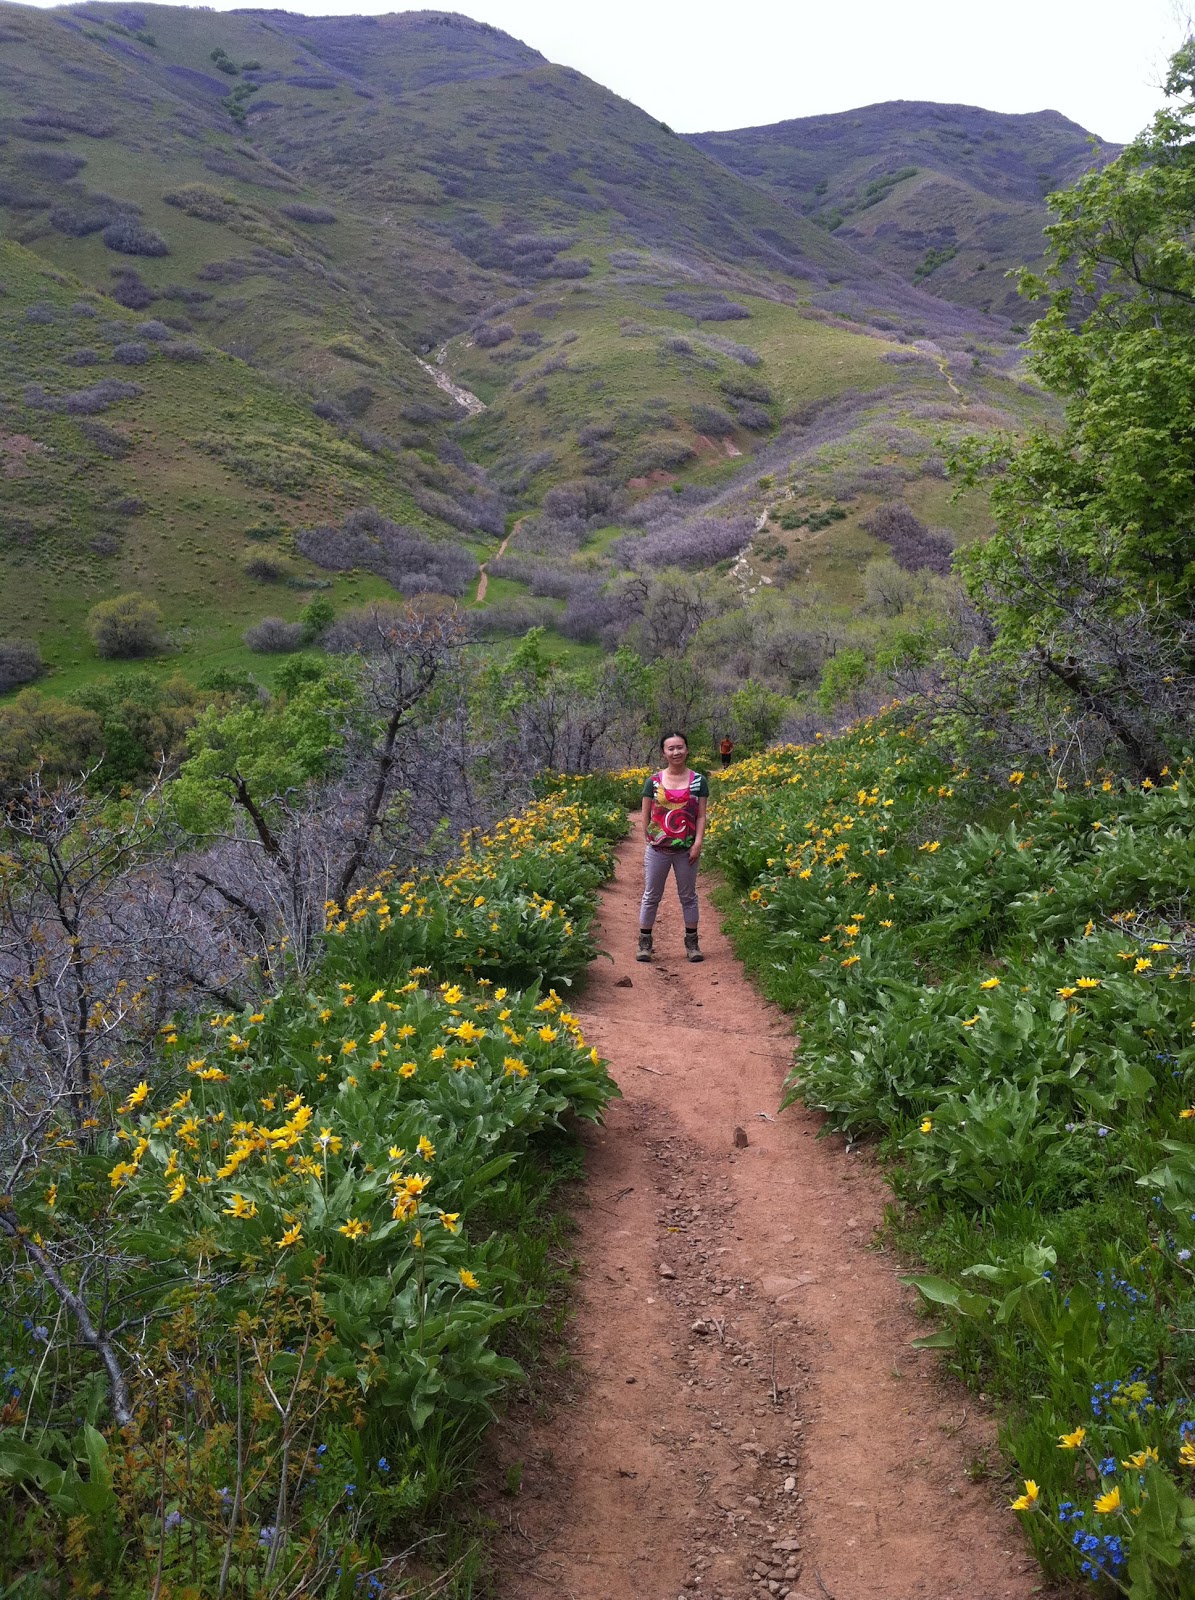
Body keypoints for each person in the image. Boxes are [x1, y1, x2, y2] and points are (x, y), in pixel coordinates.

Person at [637, 731, 709, 964]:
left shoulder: (699, 781)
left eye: (680, 747)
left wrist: (697, 842)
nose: (676, 752)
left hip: (686, 850)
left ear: (687, 749)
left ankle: (692, 943)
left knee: (688, 896)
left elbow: (700, 815)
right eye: (671, 748)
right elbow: (645, 814)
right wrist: (649, 839)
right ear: (663, 752)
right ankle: (645, 943)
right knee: (651, 896)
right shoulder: (653, 781)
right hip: (658, 849)